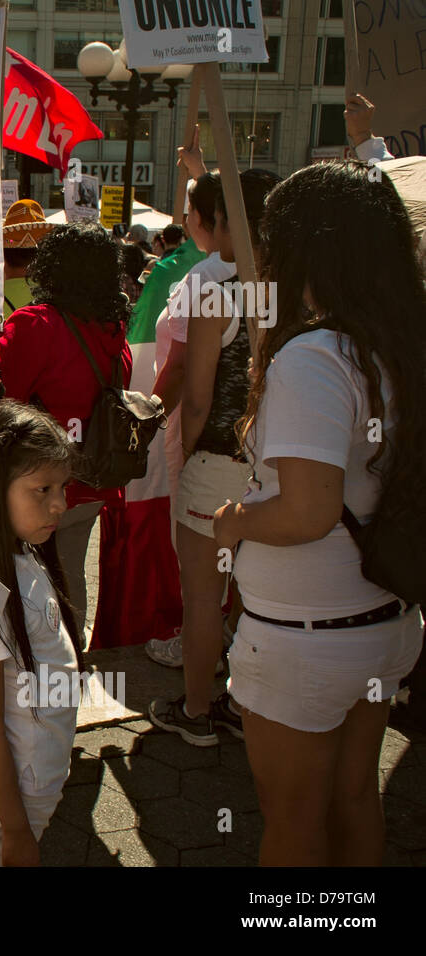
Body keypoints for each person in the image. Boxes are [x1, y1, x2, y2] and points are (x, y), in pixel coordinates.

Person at [213, 161, 425, 865]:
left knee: (294, 818)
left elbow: (306, 511)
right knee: (354, 796)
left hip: (309, 640)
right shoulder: (397, 345)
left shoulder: (315, 358)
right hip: (381, 621)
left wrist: (234, 521)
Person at [149, 169, 281, 745]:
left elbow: (197, 397)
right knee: (253, 595)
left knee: (204, 594)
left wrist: (191, 450)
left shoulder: (215, 293)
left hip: (220, 464)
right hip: (279, 468)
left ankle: (198, 709)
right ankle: (242, 701)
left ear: (230, 221)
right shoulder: (295, 290)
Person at [0, 400, 83, 866]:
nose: (60, 504)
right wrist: (16, 829)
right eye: (41, 489)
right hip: (19, 783)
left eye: (62, 487)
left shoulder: (18, 555)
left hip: (27, 771)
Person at [0, 221, 132, 645]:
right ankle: (70, 666)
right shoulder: (113, 333)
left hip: (35, 482)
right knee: (68, 584)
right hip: (91, 479)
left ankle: (36, 676)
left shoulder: (36, 324)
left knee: (24, 588)